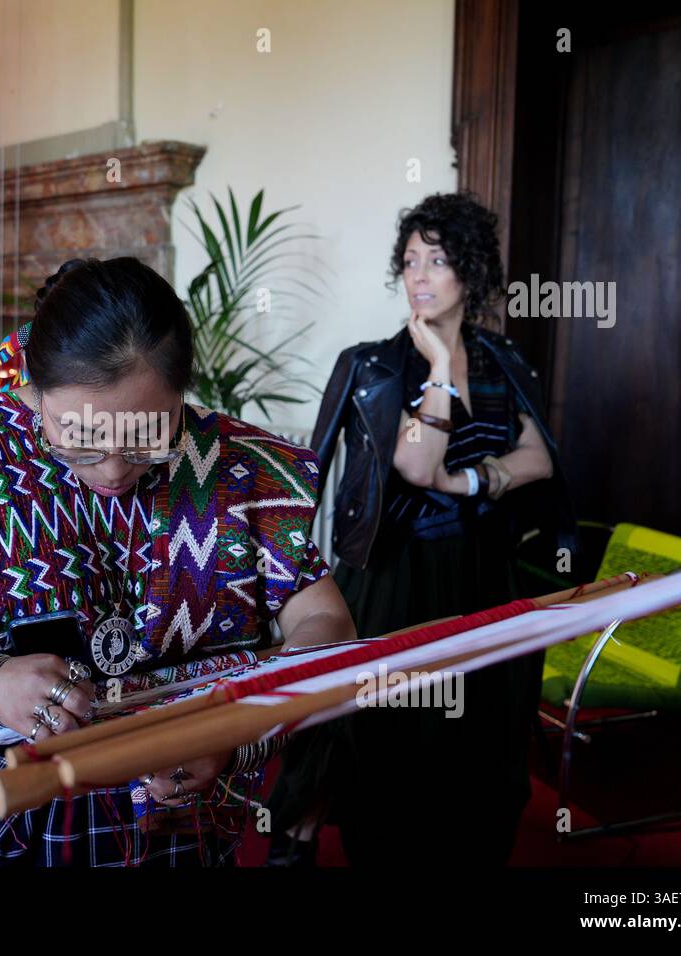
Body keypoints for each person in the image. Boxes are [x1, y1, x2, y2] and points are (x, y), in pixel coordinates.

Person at [0, 256, 356, 866]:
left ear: (181, 394)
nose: (113, 470)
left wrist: (236, 731)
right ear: (37, 384)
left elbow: (328, 626)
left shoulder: (228, 464)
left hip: (181, 828)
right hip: (5, 825)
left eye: (145, 439)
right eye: (79, 438)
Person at [265, 192, 577, 866]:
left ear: (469, 271)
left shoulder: (502, 363)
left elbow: (538, 458)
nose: (419, 276)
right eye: (409, 261)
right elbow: (414, 462)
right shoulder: (374, 365)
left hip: (486, 574)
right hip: (394, 571)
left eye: (436, 260)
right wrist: (438, 368)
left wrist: (472, 480)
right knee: (379, 735)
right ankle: (319, 837)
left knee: (484, 739)